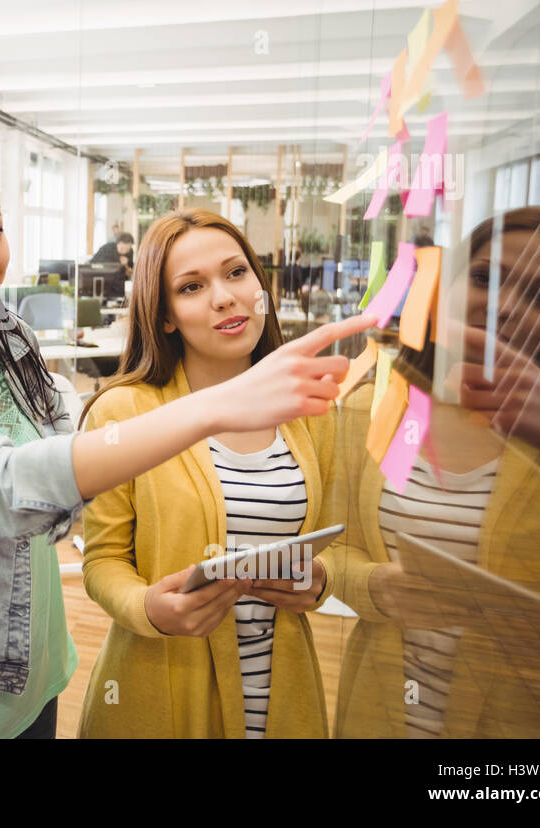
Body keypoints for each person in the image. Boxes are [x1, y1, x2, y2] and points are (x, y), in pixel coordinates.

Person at [0, 154, 373, 738]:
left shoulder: (8, 336)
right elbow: (7, 485)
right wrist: (210, 407)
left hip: (39, 665)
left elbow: (71, 478)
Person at [331, 208, 540, 738]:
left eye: (539, 297)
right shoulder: (380, 407)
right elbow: (333, 546)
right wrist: (373, 586)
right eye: (485, 277)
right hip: (382, 709)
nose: (503, 307)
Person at [75, 211, 341, 738]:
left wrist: (320, 580)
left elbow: (332, 544)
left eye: (237, 273)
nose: (224, 297)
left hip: (281, 688)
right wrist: (147, 606)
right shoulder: (123, 412)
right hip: (163, 684)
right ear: (166, 314)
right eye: (192, 286)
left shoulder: (311, 409)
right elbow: (102, 559)